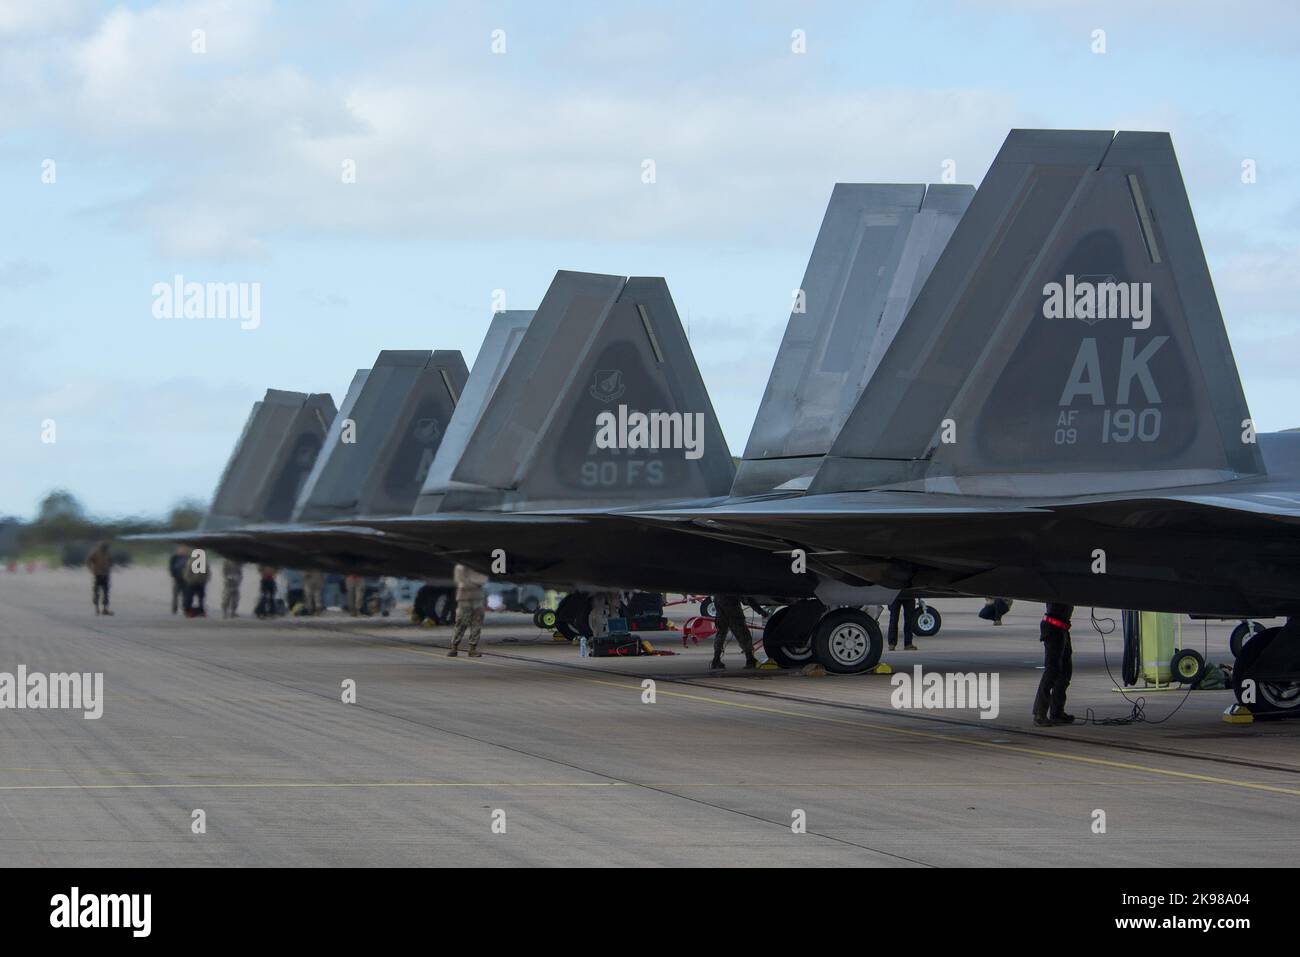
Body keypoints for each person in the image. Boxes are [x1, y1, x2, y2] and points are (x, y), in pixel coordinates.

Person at [1033, 603, 1075, 726]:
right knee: (1052, 671)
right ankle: (1039, 713)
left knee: (1065, 672)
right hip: (1053, 627)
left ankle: (1057, 712)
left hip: (1062, 627)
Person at [448, 563, 487, 657]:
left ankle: (473, 648)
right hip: (464, 599)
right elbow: (460, 580)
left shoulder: (481, 567)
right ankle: (454, 647)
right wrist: (474, 581)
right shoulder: (460, 567)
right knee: (461, 622)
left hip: (477, 598)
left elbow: (482, 580)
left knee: (477, 623)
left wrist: (469, 580)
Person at [711, 594, 758, 670]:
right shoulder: (733, 585)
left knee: (720, 635)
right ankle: (750, 660)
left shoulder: (718, 589)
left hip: (721, 613)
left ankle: (716, 660)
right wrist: (760, 611)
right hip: (734, 613)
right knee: (743, 634)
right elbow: (747, 598)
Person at [85, 541, 114, 616]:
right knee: (97, 592)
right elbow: (88, 561)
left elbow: (111, 562)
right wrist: (91, 569)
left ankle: (105, 609)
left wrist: (108, 568)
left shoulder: (108, 553)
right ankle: (97, 608)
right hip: (98, 575)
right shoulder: (95, 553)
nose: (105, 549)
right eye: (104, 547)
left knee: (106, 592)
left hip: (105, 575)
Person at [169, 546, 187, 614]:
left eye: (183, 550)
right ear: (177, 551)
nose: (182, 551)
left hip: (186, 580)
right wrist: (174, 576)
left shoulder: (187, 558)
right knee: (175, 595)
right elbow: (171, 568)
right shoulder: (174, 558)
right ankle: (174, 609)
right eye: (180, 550)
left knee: (185, 595)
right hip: (177, 579)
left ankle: (185, 608)